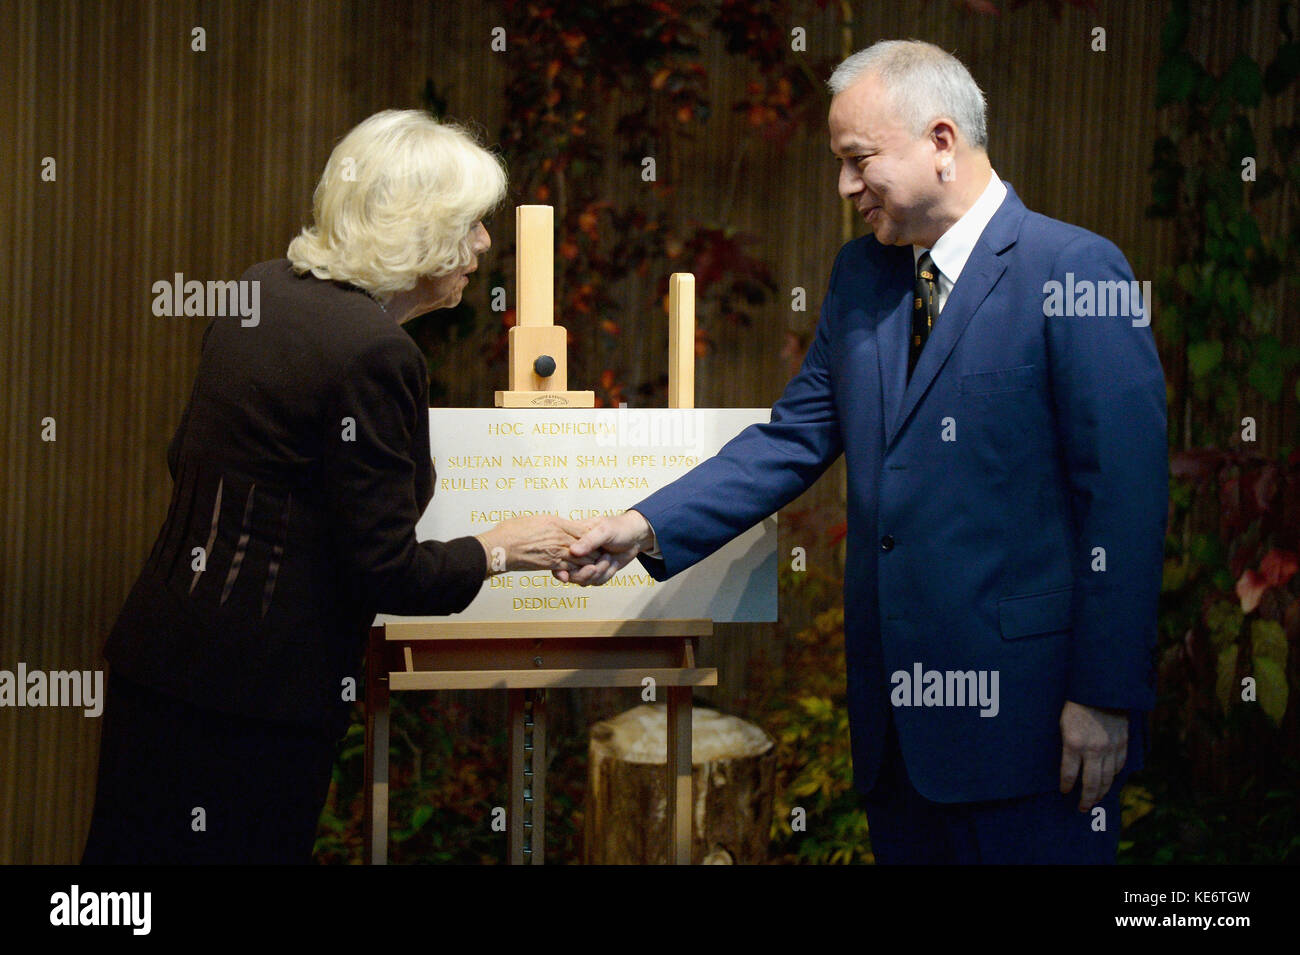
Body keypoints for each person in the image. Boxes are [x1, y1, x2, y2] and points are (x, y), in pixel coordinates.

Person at [560, 41, 1168, 864]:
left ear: (942, 142)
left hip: (1034, 734)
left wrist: (1104, 697)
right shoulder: (864, 277)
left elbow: (1125, 503)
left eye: (858, 160)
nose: (846, 188)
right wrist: (641, 525)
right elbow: (793, 437)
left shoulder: (1075, 270)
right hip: (896, 741)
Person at [82, 109, 592, 864]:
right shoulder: (375, 353)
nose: (485, 244)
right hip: (257, 705)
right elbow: (387, 570)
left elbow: (185, 456)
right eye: (470, 223)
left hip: (157, 661)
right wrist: (498, 547)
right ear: (417, 230)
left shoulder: (257, 291)